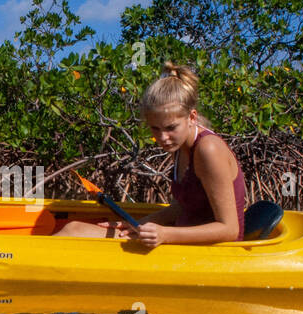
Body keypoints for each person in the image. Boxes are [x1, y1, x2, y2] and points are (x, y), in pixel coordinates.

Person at [55, 62, 246, 245]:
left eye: (171, 127)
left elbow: (229, 230)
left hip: (212, 254)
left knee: (74, 233)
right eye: (155, 128)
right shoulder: (179, 146)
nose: (163, 137)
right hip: (183, 242)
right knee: (73, 230)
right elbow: (184, 207)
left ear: (192, 117)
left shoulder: (208, 150)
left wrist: (165, 234)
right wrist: (139, 224)